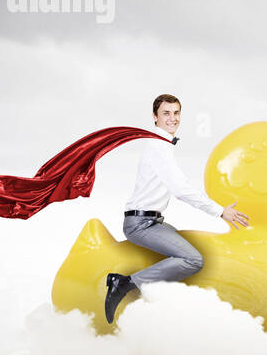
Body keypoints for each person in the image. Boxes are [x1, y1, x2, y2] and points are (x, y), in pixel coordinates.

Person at [105, 94, 249, 322]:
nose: (172, 118)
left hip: (152, 221)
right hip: (140, 224)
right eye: (166, 113)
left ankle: (163, 302)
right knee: (193, 260)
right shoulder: (158, 146)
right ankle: (124, 283)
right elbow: (181, 190)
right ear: (155, 117)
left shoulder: (161, 145)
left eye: (176, 113)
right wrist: (221, 211)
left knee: (185, 245)